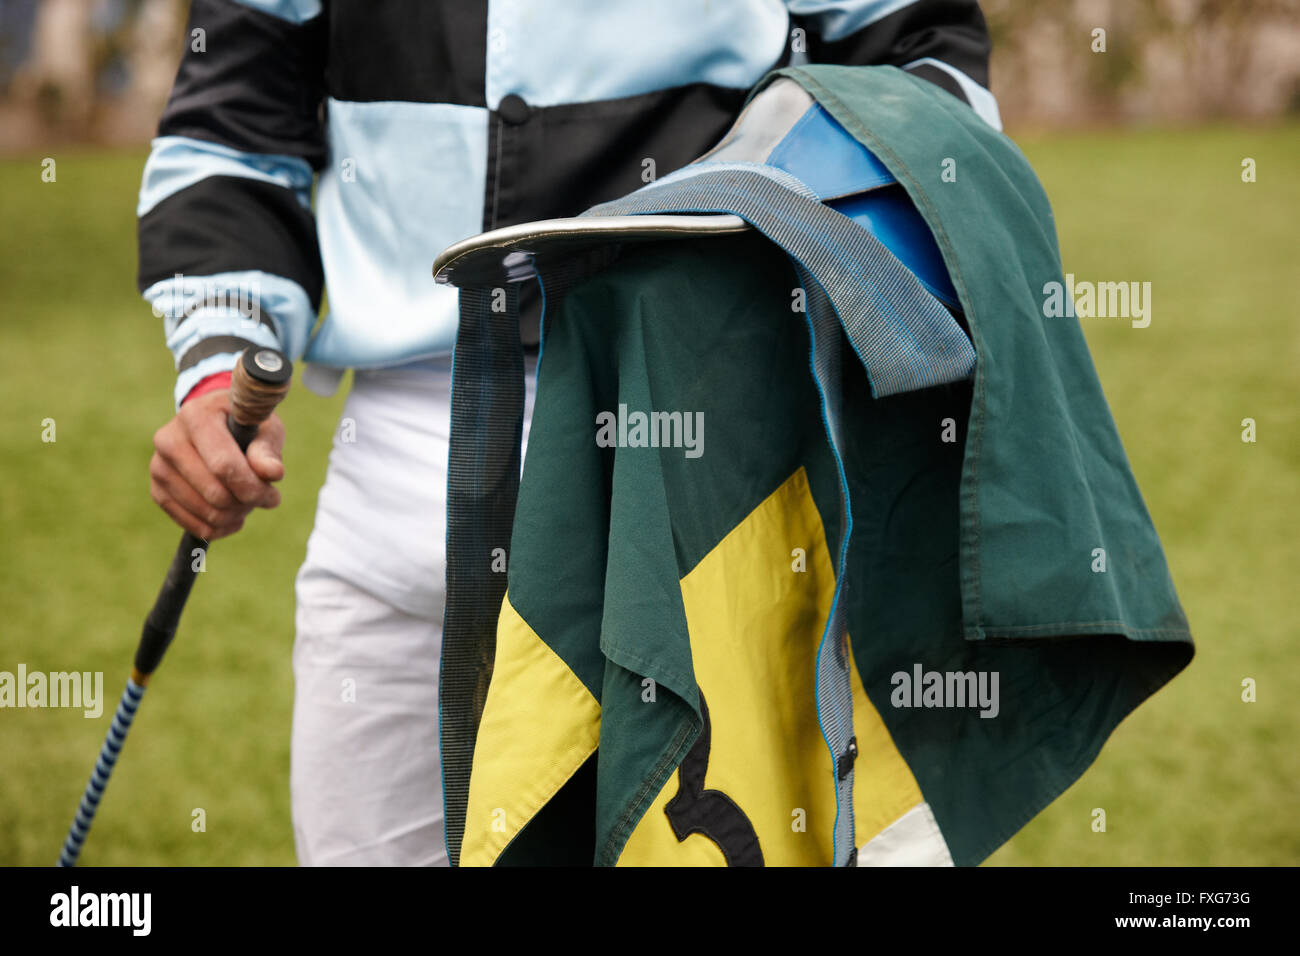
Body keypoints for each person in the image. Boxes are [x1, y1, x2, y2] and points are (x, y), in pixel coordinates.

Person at [140, 0, 1000, 866]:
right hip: (404, 455)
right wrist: (220, 362)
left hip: (713, 425)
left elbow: (918, 69)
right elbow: (230, 130)